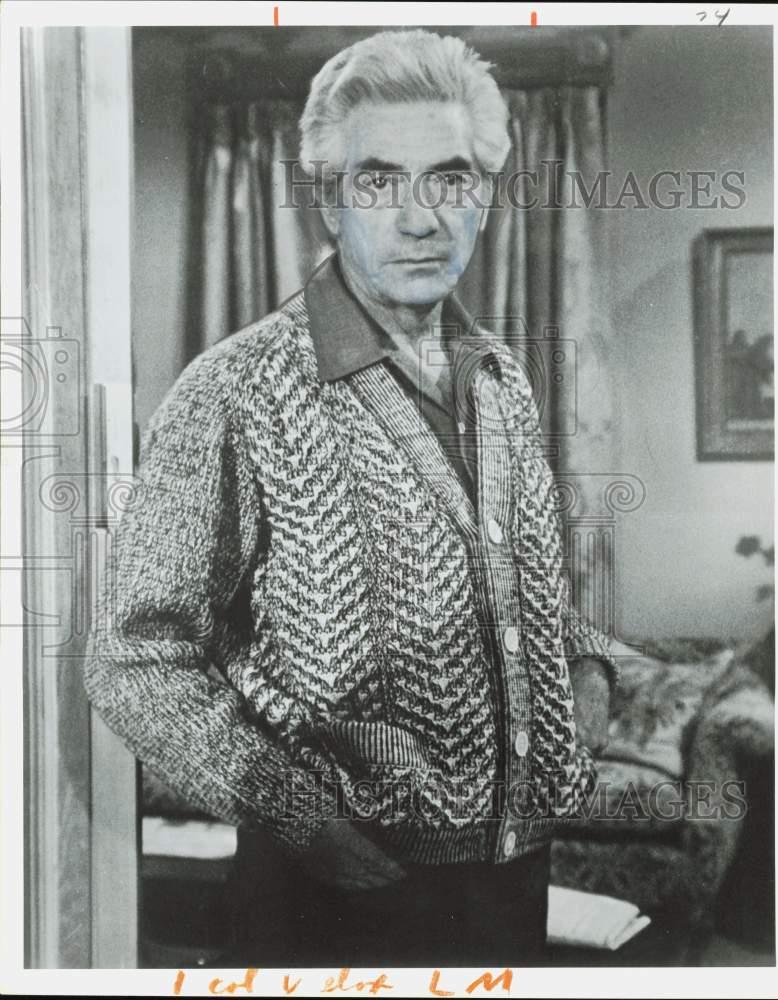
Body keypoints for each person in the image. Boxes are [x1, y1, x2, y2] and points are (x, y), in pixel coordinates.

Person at [85, 28, 618, 968]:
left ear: (486, 196)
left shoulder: (502, 378)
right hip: (331, 898)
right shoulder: (235, 389)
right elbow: (133, 658)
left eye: (450, 177)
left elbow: (518, 583)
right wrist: (299, 817)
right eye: (379, 181)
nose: (421, 217)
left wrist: (587, 666)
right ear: (330, 201)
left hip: (512, 879)